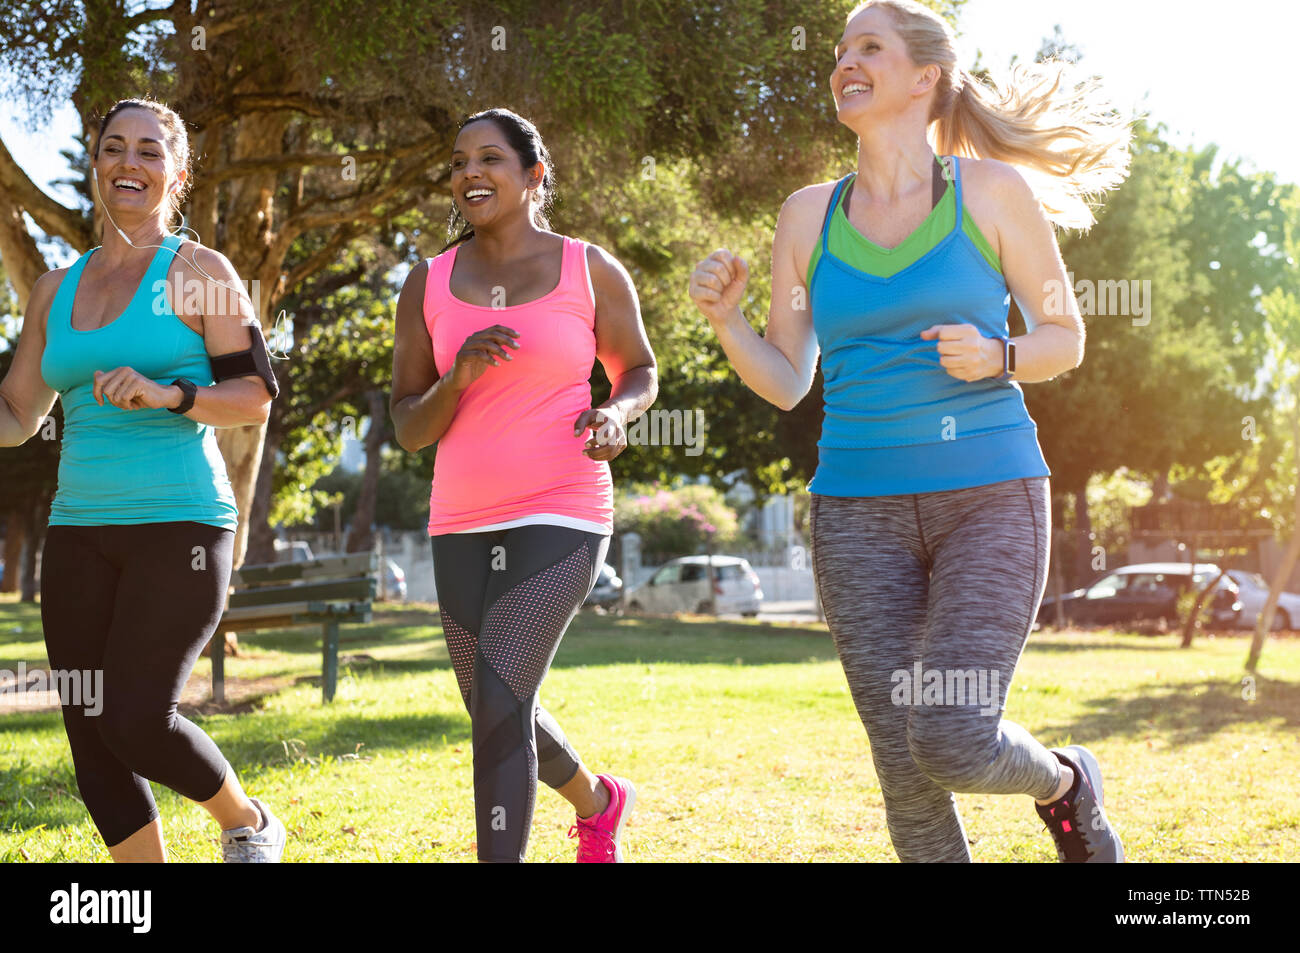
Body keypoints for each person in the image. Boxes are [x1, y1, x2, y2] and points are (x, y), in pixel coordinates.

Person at [689, 0, 1132, 862]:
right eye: (841, 50)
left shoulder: (992, 194)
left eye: (870, 48)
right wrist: (728, 322)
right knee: (905, 769)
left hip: (991, 497)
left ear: (925, 77)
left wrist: (999, 353)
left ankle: (1068, 783)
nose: (845, 63)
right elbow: (787, 380)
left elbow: (1064, 337)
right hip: (856, 513)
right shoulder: (806, 215)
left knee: (952, 736)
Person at [0, 98, 285, 862]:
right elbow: (18, 413)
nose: (131, 162)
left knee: (133, 717)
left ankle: (246, 820)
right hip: (78, 530)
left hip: (182, 524)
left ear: (177, 172)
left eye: (150, 151)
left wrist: (172, 394)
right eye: (115, 147)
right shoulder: (54, 290)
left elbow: (256, 395)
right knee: (89, 726)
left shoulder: (198, 271)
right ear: (95, 163)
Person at [391, 108, 658, 863]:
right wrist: (458, 377)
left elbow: (639, 367)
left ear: (534, 174)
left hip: (563, 507)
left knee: (501, 701)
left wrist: (617, 410)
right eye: (457, 161)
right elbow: (410, 425)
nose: (469, 173)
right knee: (492, 703)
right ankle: (601, 802)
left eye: (490, 159)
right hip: (461, 518)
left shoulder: (587, 267)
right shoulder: (428, 283)